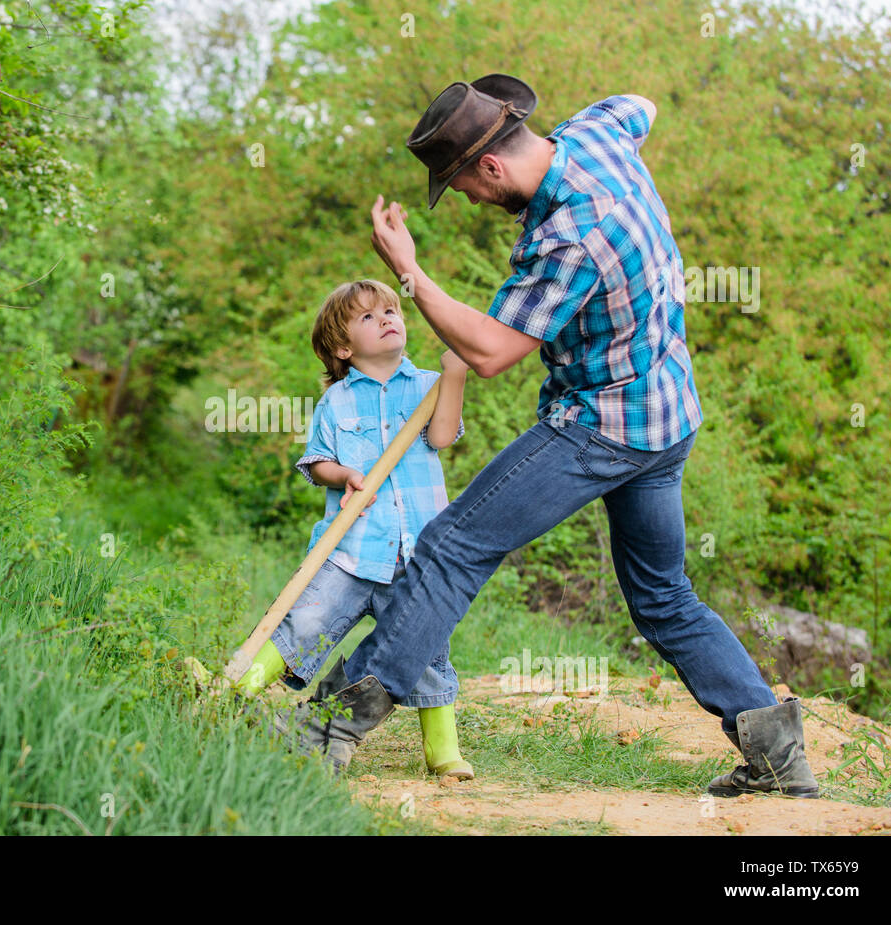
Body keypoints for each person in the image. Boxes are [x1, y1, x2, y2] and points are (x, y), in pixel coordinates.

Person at [280, 75, 819, 799]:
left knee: (452, 545)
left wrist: (409, 272)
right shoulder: (600, 132)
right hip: (668, 413)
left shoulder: (570, 236)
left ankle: (331, 728)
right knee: (663, 596)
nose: (468, 199)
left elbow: (493, 351)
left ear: (493, 166)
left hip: (603, 426)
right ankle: (780, 760)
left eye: (464, 185)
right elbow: (644, 102)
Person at [187, 278, 475, 777]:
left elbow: (444, 436)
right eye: (369, 316)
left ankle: (443, 752)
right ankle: (232, 689)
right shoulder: (337, 402)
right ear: (343, 347)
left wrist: (455, 376)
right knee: (304, 623)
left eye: (391, 310)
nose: (388, 318)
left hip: (417, 556)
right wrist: (343, 475)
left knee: (425, 646)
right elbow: (317, 462)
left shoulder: (429, 385)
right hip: (351, 550)